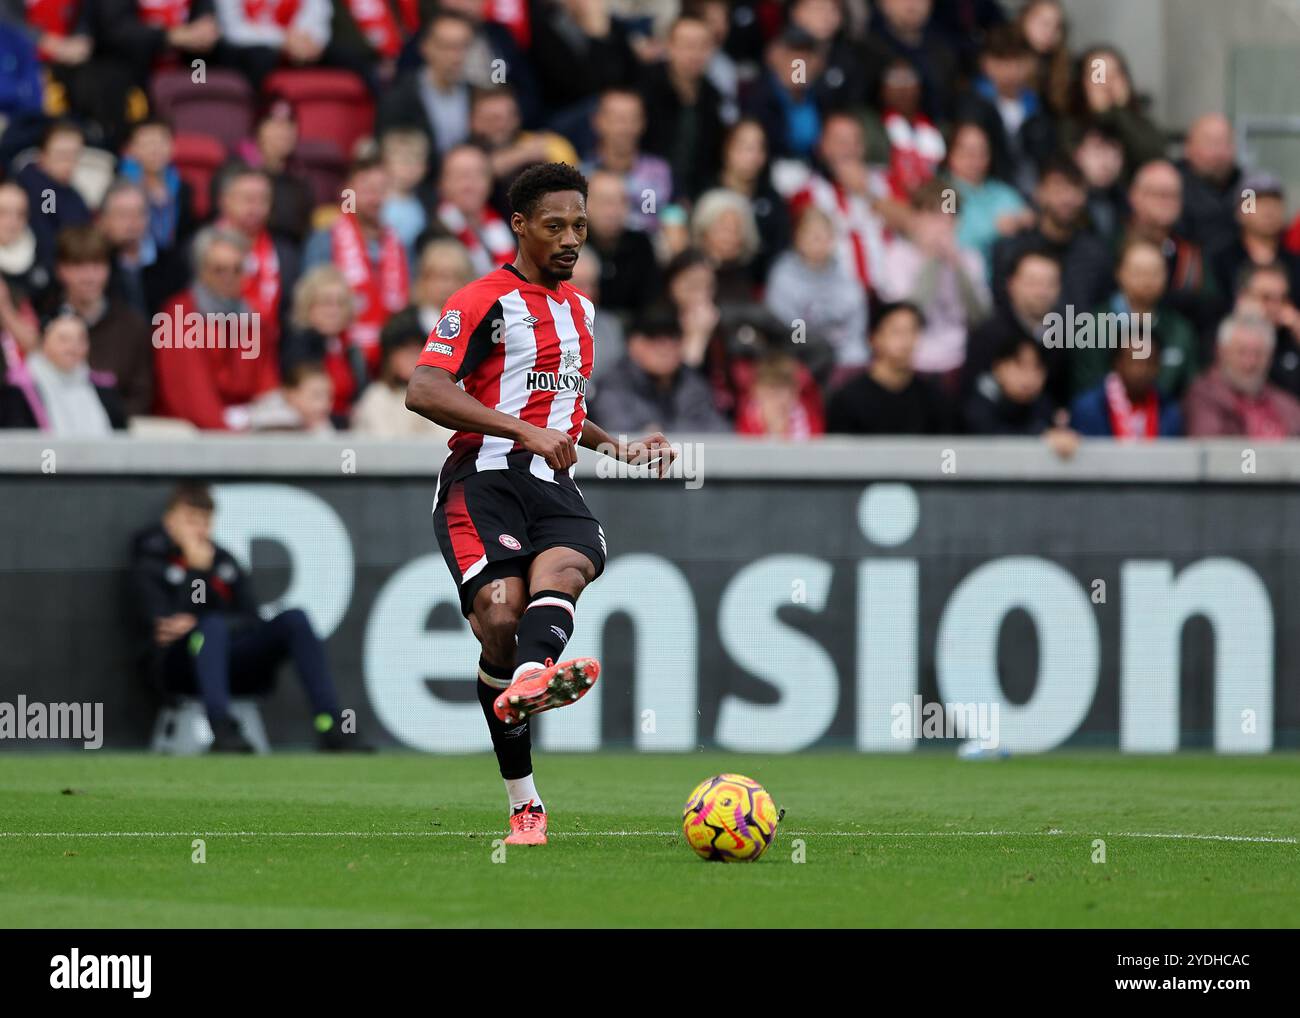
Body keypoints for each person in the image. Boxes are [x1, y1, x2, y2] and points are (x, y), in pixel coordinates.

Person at [403, 162, 677, 847]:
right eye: (554, 225)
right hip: (482, 480)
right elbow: (425, 389)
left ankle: (531, 677)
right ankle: (524, 798)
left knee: (569, 568)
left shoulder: (581, 312)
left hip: (552, 484)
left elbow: (563, 411)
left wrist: (616, 448)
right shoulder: (481, 300)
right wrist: (522, 430)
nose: (569, 238)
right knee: (499, 617)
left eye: (579, 225)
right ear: (520, 225)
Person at [129, 482, 367, 753]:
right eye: (191, 520)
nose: (199, 530)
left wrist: (203, 622)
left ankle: (331, 724)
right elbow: (163, 627)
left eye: (205, 521)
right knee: (211, 628)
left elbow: (252, 618)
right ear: (170, 521)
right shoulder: (149, 562)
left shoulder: (225, 561)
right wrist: (197, 573)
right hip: (177, 668)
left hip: (231, 662)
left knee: (294, 620)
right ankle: (220, 726)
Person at [152, 227, 280, 430]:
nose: (229, 277)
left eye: (237, 269)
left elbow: (267, 385)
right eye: (219, 269)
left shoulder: (254, 320)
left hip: (247, 429)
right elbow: (192, 396)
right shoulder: (179, 316)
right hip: (195, 436)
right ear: (201, 271)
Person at [303, 155, 410, 375]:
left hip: (389, 360)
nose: (375, 198)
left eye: (381, 190)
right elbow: (309, 305)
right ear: (347, 192)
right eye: (368, 190)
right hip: (338, 359)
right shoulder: (326, 239)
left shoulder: (397, 244)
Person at [51, 224, 154, 418]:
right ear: (60, 270)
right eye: (78, 266)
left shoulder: (132, 325)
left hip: (115, 437)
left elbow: (141, 395)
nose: (89, 277)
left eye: (97, 266)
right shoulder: (44, 319)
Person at [764, 204, 869, 380]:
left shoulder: (845, 278)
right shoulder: (784, 276)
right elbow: (791, 332)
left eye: (825, 236)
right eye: (812, 236)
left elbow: (855, 331)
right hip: (802, 355)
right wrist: (817, 345)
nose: (819, 242)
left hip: (842, 356)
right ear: (798, 238)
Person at [588, 304, 730, 434]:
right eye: (653, 337)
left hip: (689, 460)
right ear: (633, 343)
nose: (665, 346)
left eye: (673, 336)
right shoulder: (614, 383)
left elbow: (720, 431)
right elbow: (619, 433)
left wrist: (660, 432)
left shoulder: (691, 381)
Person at [826, 300, 951, 434]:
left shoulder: (933, 399)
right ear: (874, 338)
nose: (906, 340)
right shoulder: (848, 400)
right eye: (897, 331)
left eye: (913, 331)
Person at [0, 311, 126, 432]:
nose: (73, 347)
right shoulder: (19, 391)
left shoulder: (104, 389)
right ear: (44, 342)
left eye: (80, 339)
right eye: (64, 339)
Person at [1184, 312, 1300, 438]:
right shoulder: (1203, 396)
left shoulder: (1287, 404)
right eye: (1241, 352)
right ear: (1221, 352)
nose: (1250, 363)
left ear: (1270, 357)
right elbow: (1213, 447)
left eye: (1258, 354)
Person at [351, 314, 454, 439]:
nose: (412, 358)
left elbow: (445, 439)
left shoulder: (437, 396)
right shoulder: (377, 397)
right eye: (405, 351)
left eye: (417, 350)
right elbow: (385, 446)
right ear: (389, 358)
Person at [1070, 334, 1183, 440]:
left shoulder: (1169, 410)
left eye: (1149, 362)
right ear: (1117, 363)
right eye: (1134, 361)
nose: (1142, 370)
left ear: (1159, 365)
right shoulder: (1089, 408)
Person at [962, 334, 1056, 436]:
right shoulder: (978, 406)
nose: (1029, 376)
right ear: (998, 368)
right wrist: (1041, 437)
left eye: (1036, 367)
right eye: (1020, 365)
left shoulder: (1043, 405)